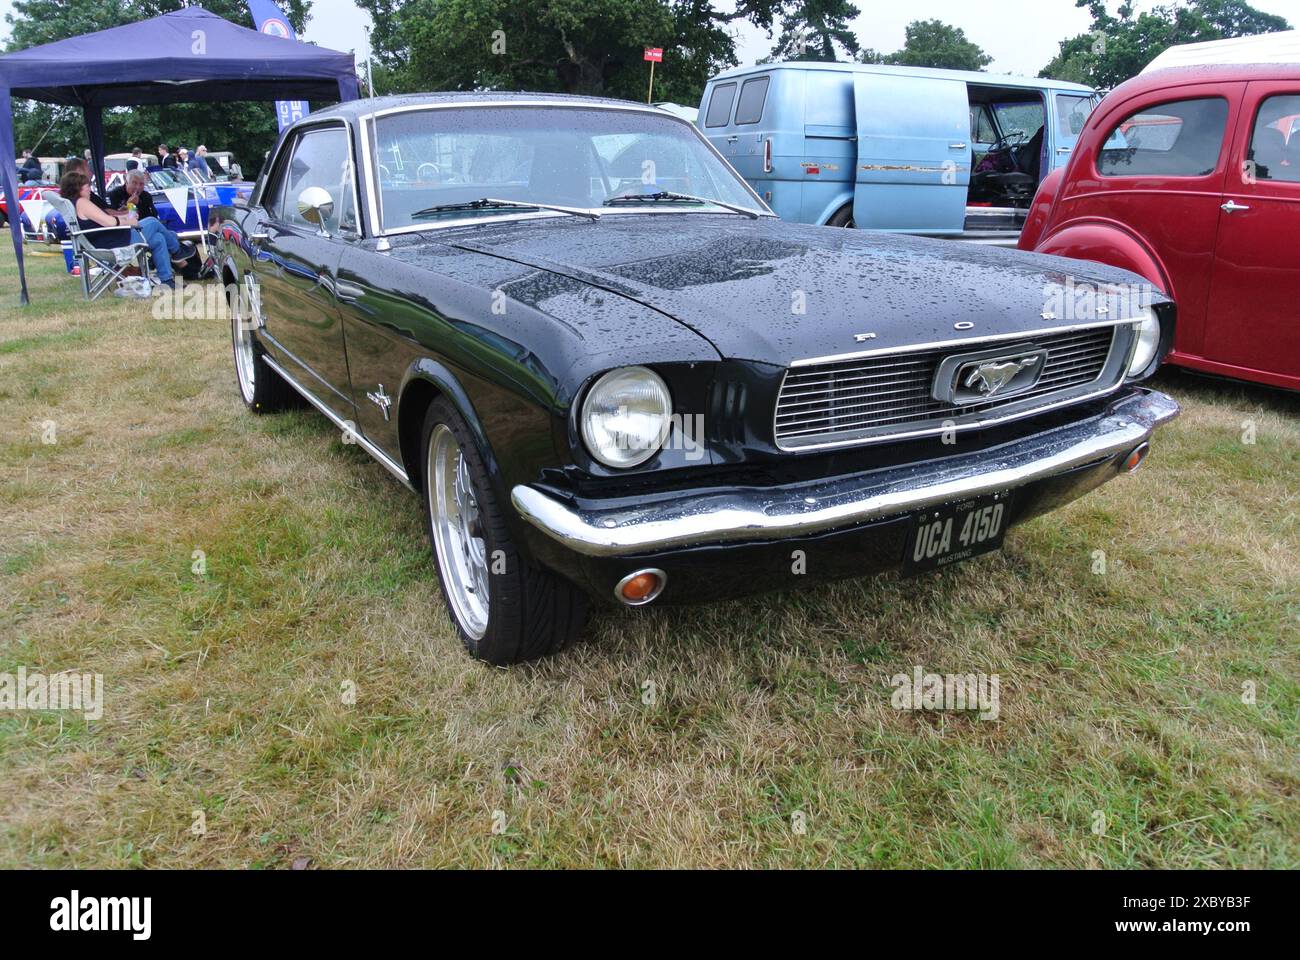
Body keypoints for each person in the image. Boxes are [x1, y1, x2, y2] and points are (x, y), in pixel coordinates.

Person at [61, 170, 194, 289]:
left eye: (141, 184)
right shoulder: (83, 202)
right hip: (114, 242)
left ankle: (167, 280)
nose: (90, 189)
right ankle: (177, 251)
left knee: (158, 238)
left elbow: (111, 217)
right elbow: (110, 221)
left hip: (112, 238)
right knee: (153, 223)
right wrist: (128, 221)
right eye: (87, 186)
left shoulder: (75, 203)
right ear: (78, 188)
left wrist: (130, 209)